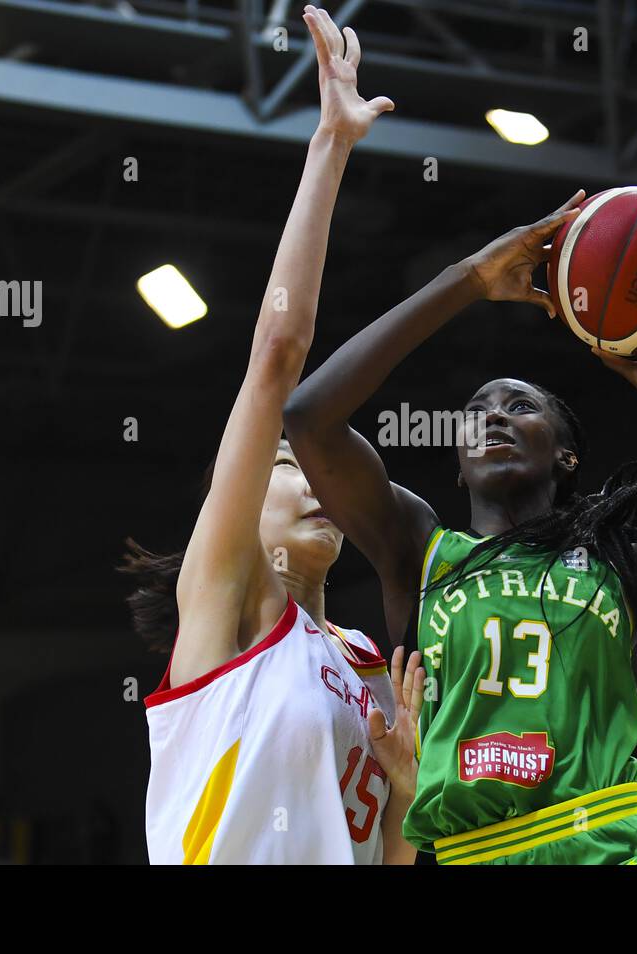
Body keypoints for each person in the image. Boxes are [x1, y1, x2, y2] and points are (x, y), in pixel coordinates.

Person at [283, 194, 637, 864]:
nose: (494, 417)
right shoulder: (420, 551)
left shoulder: (611, 559)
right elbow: (308, 415)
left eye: (520, 406)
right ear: (458, 465)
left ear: (564, 455)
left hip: (609, 842)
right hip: (476, 851)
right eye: (477, 410)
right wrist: (469, 281)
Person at [121, 6, 422, 865]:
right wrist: (331, 145)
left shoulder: (373, 665)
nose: (317, 483)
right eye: (290, 465)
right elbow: (278, 356)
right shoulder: (226, 609)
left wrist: (406, 797)